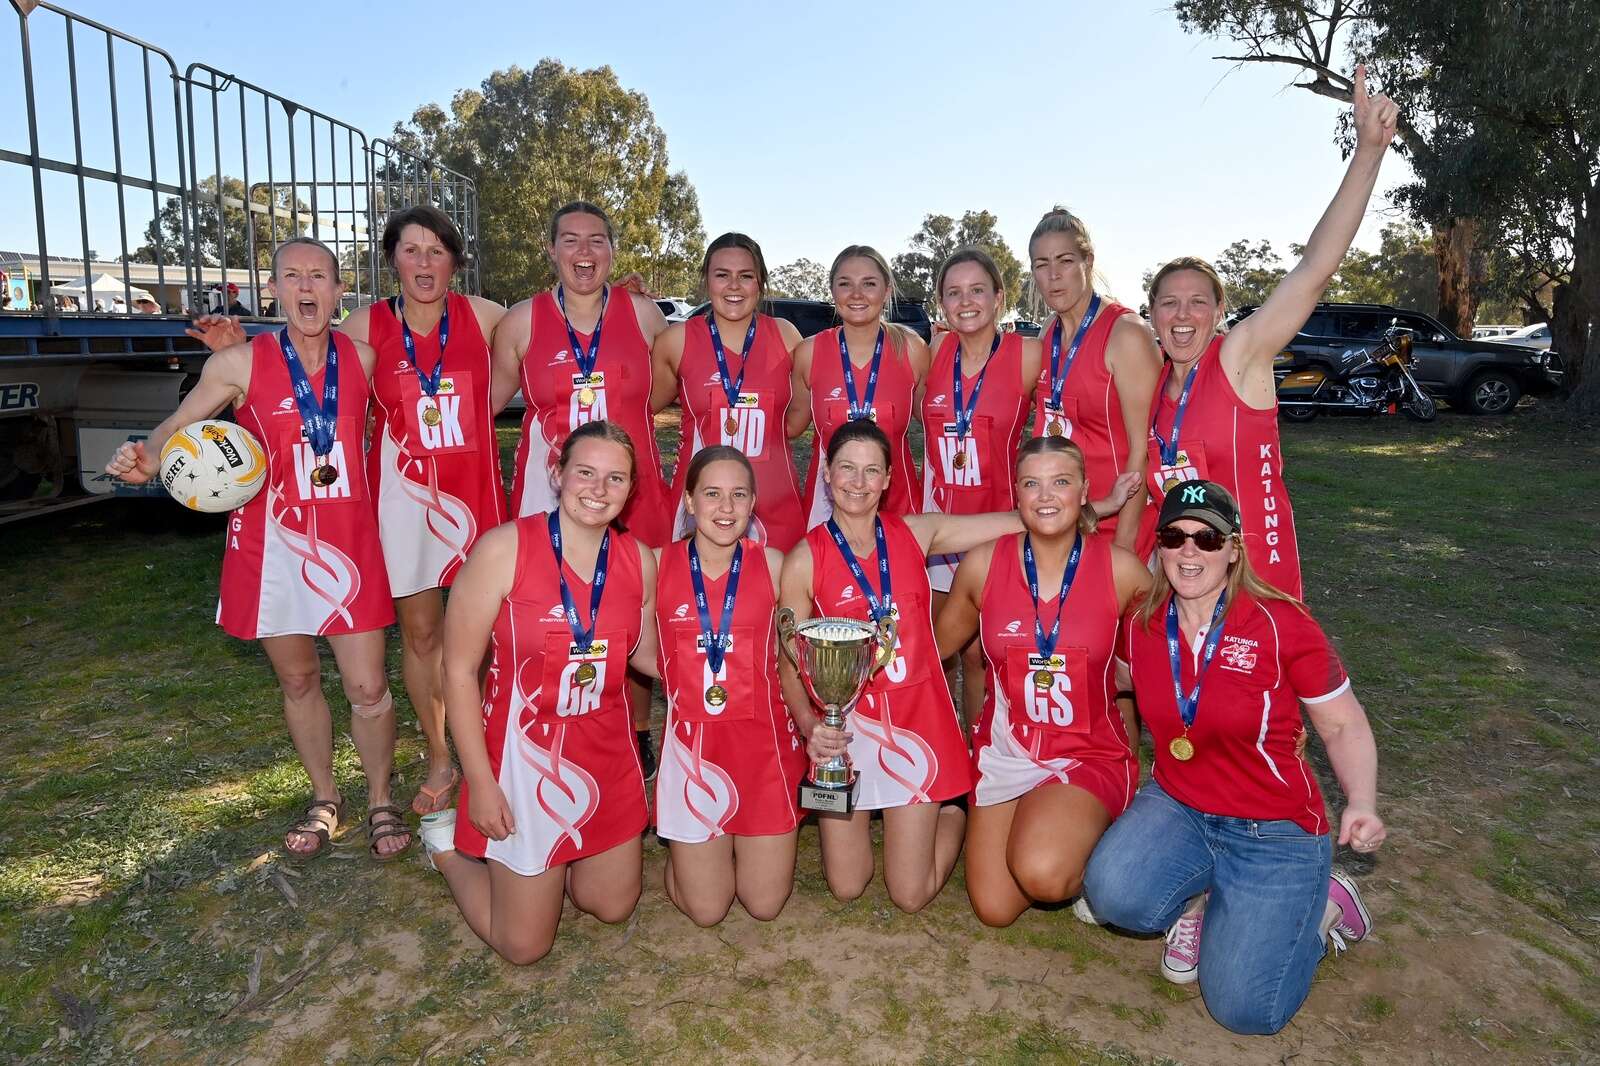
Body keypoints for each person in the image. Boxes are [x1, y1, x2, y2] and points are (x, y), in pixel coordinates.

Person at [187, 206, 510, 818]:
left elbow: (541, 336)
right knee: (421, 636)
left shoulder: (488, 316)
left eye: (436, 250)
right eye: (410, 250)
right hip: (402, 502)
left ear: (455, 261)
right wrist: (239, 353)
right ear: (390, 259)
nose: (423, 262)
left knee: (491, 634)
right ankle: (441, 756)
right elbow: (291, 374)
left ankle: (493, 751)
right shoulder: (363, 326)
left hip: (474, 496)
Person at [104, 237, 411, 863]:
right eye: (292, 275)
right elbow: (177, 429)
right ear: (274, 290)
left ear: (337, 289)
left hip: (349, 546)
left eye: (319, 276)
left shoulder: (366, 357)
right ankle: (326, 798)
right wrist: (145, 458)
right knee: (299, 680)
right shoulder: (238, 364)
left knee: (369, 686)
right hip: (272, 548)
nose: (307, 287)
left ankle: (381, 798)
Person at [1082, 480, 1384, 1035]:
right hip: (1180, 804)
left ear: (1233, 548)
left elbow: (1342, 724)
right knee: (1113, 894)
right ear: (1159, 548)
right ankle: (1203, 906)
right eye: (1175, 536)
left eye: (1207, 537)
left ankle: (1328, 907)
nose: (1189, 551)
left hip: (1274, 827)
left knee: (1247, 1011)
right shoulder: (1146, 626)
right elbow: (1115, 677)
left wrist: (1361, 802)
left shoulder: (1281, 624)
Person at [1141, 66, 1399, 598]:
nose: (1182, 314)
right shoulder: (1154, 388)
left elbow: (1314, 269)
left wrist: (1367, 154)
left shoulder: (1239, 356)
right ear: (1153, 314)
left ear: (1218, 312)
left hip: (1256, 587)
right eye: (1168, 303)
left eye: (1197, 302)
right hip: (1181, 584)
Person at [423, 420, 659, 965]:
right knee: (525, 946)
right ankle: (445, 851)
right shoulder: (504, 549)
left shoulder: (637, 559)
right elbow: (456, 672)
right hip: (523, 757)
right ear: (557, 474)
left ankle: (560, 865)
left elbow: (643, 656)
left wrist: (731, 667)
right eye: (585, 473)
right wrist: (480, 783)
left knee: (612, 905)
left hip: (606, 750)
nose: (598, 490)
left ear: (630, 490)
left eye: (615, 479)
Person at [778, 418, 1023, 912]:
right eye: (847, 468)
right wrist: (810, 725)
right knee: (847, 885)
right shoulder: (806, 557)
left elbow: (1013, 520)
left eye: (872, 471)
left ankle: (953, 809)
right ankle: (891, 806)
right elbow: (789, 660)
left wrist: (1089, 506)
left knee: (909, 895)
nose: (858, 482)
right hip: (846, 727)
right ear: (827, 473)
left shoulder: (917, 531)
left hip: (919, 720)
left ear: (889, 479)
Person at [934, 436, 1151, 927]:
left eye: (1060, 482)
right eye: (1032, 484)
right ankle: (1050, 814)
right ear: (1017, 494)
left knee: (1044, 873)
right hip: (1007, 748)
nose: (1046, 496)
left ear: (1083, 492)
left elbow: (1153, 678)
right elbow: (932, 654)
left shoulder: (1123, 572)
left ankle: (1103, 837)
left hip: (1087, 750)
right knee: (994, 909)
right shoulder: (983, 564)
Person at [493, 200, 673, 778]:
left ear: (614, 251)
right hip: (549, 491)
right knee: (548, 608)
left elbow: (672, 392)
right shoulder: (521, 321)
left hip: (630, 488)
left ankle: (635, 730)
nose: (584, 253)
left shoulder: (644, 316)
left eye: (597, 240)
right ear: (550, 250)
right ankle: (544, 722)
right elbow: (485, 403)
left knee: (632, 607)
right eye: (570, 240)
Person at [654, 445, 807, 925]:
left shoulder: (777, 565)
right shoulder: (654, 565)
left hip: (764, 751)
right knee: (707, 911)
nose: (726, 508)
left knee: (763, 906)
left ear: (753, 503)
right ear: (690, 501)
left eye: (738, 495)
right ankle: (687, 855)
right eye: (712, 494)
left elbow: (796, 656)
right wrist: (677, 675)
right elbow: (630, 642)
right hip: (695, 748)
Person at [919, 247, 1042, 723]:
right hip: (941, 532)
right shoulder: (933, 352)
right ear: (941, 302)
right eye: (953, 292)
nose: (965, 301)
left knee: (980, 655)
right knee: (938, 646)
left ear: (998, 297)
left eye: (976, 290)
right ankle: (946, 758)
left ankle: (984, 757)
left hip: (1000, 527)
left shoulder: (1026, 356)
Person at [652, 233, 808, 551]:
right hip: (699, 508)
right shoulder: (676, 340)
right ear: (706, 280)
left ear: (760, 282)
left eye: (746, 276)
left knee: (777, 598)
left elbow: (793, 424)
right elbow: (639, 410)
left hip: (776, 506)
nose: (733, 286)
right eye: (722, 275)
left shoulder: (786, 336)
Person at [1026, 209, 1160, 554]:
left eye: (1065, 261)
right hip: (1064, 521)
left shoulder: (1125, 332)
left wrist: (1125, 545)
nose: (1053, 276)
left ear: (1088, 261)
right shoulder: (1049, 332)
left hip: (1116, 524)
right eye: (1042, 264)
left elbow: (1144, 449)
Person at [789, 246, 928, 526]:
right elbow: (788, 426)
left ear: (886, 291)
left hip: (898, 507)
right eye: (845, 284)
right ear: (832, 291)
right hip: (826, 509)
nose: (856, 294)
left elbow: (937, 423)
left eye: (869, 284)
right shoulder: (808, 352)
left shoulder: (912, 350)